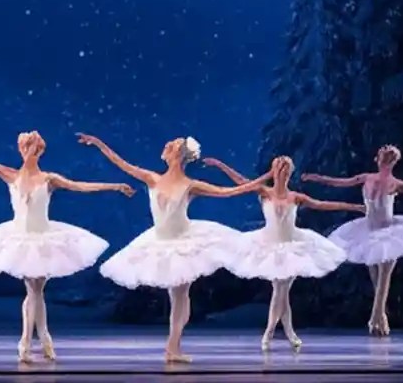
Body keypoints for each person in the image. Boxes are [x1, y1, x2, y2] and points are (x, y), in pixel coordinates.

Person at [0, 122, 132, 363]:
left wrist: (113, 186)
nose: (27, 151)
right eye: (24, 147)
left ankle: (34, 341)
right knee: (34, 291)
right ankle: (35, 341)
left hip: (43, 239)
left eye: (31, 147)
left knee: (36, 291)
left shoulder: (48, 179)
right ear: (21, 150)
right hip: (20, 239)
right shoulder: (10, 174)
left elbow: (80, 186)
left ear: (38, 151)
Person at [83, 132, 270, 363]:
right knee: (177, 296)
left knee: (180, 295)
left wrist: (264, 179)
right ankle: (173, 347)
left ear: (178, 155)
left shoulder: (190, 185)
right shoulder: (152, 178)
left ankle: (173, 345)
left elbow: (228, 192)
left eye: (170, 146)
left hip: (185, 241)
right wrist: (99, 143)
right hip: (160, 241)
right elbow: (121, 164)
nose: (165, 147)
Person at [204, 155, 363, 351]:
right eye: (280, 171)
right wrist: (220, 164)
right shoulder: (264, 192)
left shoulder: (295, 197)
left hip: (293, 246)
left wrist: (353, 206)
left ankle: (270, 333)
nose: (284, 175)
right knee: (281, 291)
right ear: (273, 173)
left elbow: (323, 205)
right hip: (268, 245)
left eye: (287, 172)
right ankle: (287, 333)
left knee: (281, 291)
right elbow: (241, 181)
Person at [302, 144, 403, 336]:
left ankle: (374, 317)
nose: (384, 158)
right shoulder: (366, 178)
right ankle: (382, 320)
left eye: (388, 156)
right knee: (376, 279)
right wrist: (316, 178)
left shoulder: (396, 183)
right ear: (377, 159)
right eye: (383, 155)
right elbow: (339, 182)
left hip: (389, 232)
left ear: (392, 162)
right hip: (367, 231)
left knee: (383, 277)